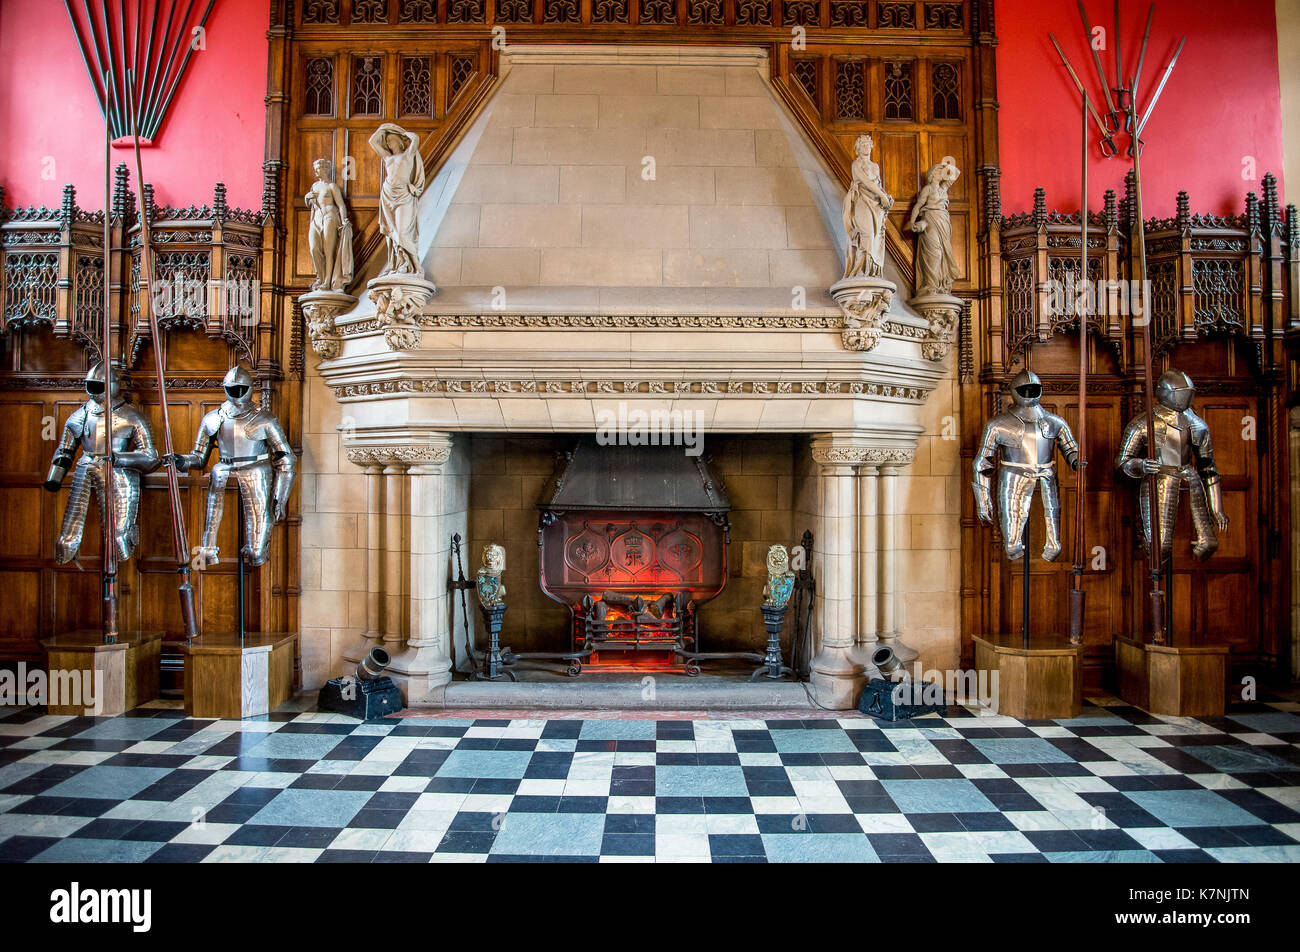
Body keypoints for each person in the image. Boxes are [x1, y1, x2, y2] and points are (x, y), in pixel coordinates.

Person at [368, 123, 426, 277]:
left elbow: (416, 139)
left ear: (399, 141)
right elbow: (372, 141)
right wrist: (383, 128)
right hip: (388, 195)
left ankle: (415, 264)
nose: (388, 144)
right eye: (387, 142)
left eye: (391, 140)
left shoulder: (408, 155)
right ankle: (401, 262)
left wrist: (403, 132)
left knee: (401, 232)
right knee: (392, 232)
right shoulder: (388, 157)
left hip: (404, 195)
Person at [305, 158, 354, 291]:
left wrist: (343, 220)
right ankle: (320, 277)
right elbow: (311, 204)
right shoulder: (314, 186)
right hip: (316, 218)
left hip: (330, 217)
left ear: (325, 169)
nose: (316, 172)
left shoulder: (332, 186)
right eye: (315, 169)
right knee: (314, 248)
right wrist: (306, 198)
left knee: (328, 250)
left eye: (318, 169)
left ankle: (327, 281)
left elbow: (341, 205)